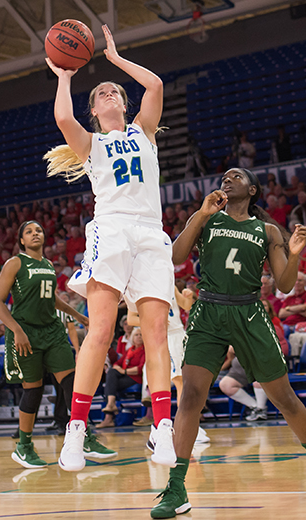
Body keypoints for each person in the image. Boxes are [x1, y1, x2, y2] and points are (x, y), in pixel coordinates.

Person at [154, 168, 306, 519]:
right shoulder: (208, 220)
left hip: (249, 312)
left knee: (284, 398)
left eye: (236, 176)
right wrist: (200, 213)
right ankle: (177, 486)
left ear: (252, 189)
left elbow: (285, 285)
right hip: (209, 310)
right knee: (191, 397)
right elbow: (176, 256)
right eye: (224, 177)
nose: (227, 180)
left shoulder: (267, 230)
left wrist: (294, 254)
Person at [44, 25, 177, 471]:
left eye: (114, 91)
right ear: (95, 109)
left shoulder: (144, 131)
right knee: (100, 332)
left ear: (123, 103)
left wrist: (116, 58)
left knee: (157, 335)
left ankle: (163, 429)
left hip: (151, 232)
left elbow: (155, 84)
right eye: (100, 93)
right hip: (112, 230)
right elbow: (64, 120)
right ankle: (75, 432)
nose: (108, 94)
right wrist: (64, 75)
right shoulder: (92, 143)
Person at [0, 220, 109, 468]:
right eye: (29, 232)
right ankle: (24, 446)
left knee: (71, 380)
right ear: (21, 240)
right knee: (33, 390)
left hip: (52, 331)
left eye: (39, 230)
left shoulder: (47, 265)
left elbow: (50, 297)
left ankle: (82, 436)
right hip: (25, 333)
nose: (35, 234)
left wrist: (77, 316)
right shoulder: (15, 263)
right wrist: (17, 330)